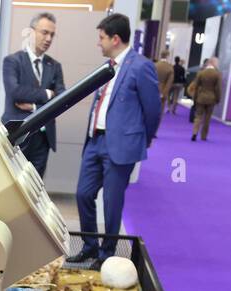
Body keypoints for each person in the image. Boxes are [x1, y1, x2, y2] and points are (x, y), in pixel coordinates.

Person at [69, 13, 160, 264]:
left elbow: (153, 110)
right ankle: (89, 245)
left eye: (102, 38)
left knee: (111, 202)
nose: (99, 43)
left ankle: (106, 253)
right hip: (95, 142)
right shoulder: (108, 66)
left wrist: (144, 139)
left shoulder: (141, 66)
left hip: (120, 147)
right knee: (83, 194)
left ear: (115, 39)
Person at [1, 12, 66, 177]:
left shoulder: (54, 65)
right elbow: (15, 92)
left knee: (35, 188)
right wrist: (47, 93)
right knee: (11, 185)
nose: (49, 38)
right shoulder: (13, 61)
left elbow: (62, 98)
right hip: (17, 134)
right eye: (45, 32)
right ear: (31, 32)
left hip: (43, 139)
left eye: (52, 34)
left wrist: (34, 105)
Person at [187, 58, 221, 141]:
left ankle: (194, 133)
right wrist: (218, 98)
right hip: (211, 99)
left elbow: (196, 86)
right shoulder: (217, 74)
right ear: (213, 63)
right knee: (207, 118)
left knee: (198, 116)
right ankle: (203, 136)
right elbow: (218, 89)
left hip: (200, 98)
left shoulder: (201, 73)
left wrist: (194, 97)